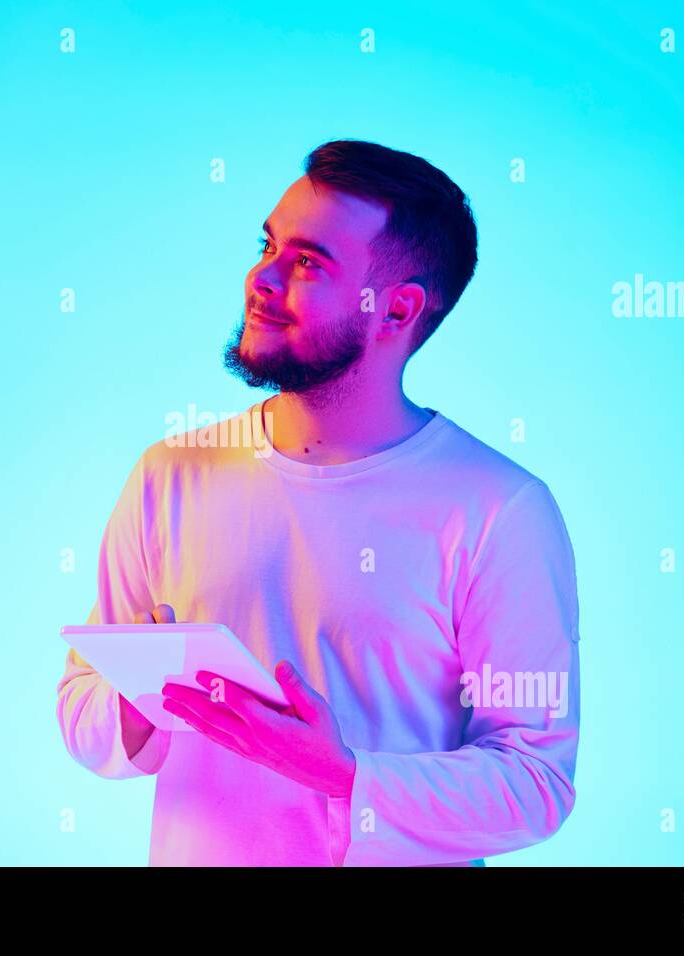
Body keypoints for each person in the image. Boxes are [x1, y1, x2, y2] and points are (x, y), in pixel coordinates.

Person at [56, 139, 581, 866]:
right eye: (267, 246)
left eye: (309, 262)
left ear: (396, 310)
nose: (262, 279)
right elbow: (83, 712)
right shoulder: (170, 475)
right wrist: (141, 696)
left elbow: (535, 782)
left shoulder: (498, 509)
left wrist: (344, 776)